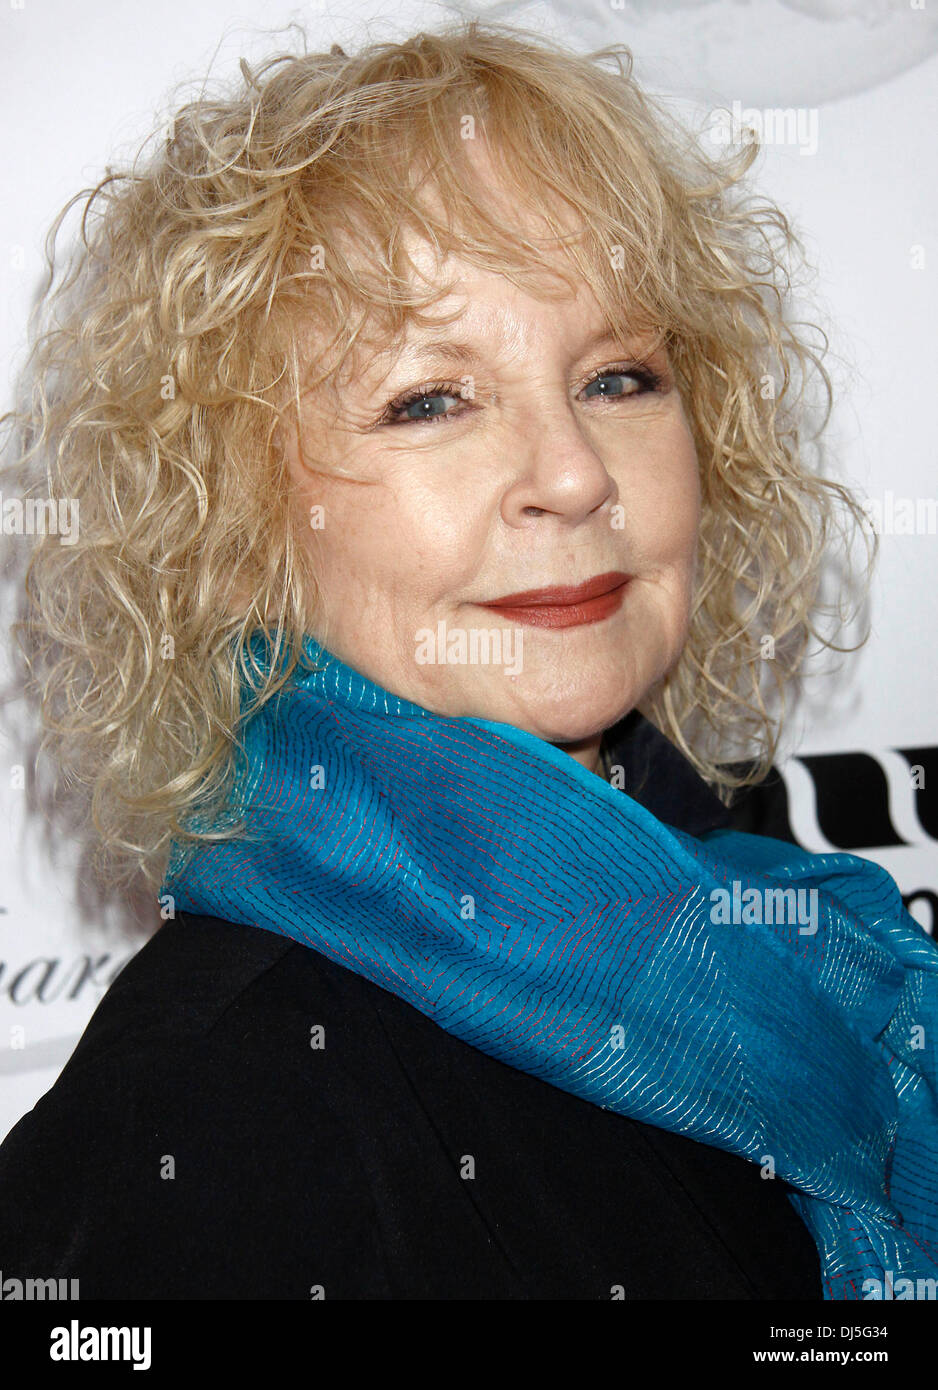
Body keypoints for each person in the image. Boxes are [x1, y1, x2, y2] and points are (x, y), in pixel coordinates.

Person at [0, 20, 934, 1302]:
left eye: (617, 377)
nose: (573, 472)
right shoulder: (208, 1125)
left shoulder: (777, 922)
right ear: (226, 528)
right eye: (429, 399)